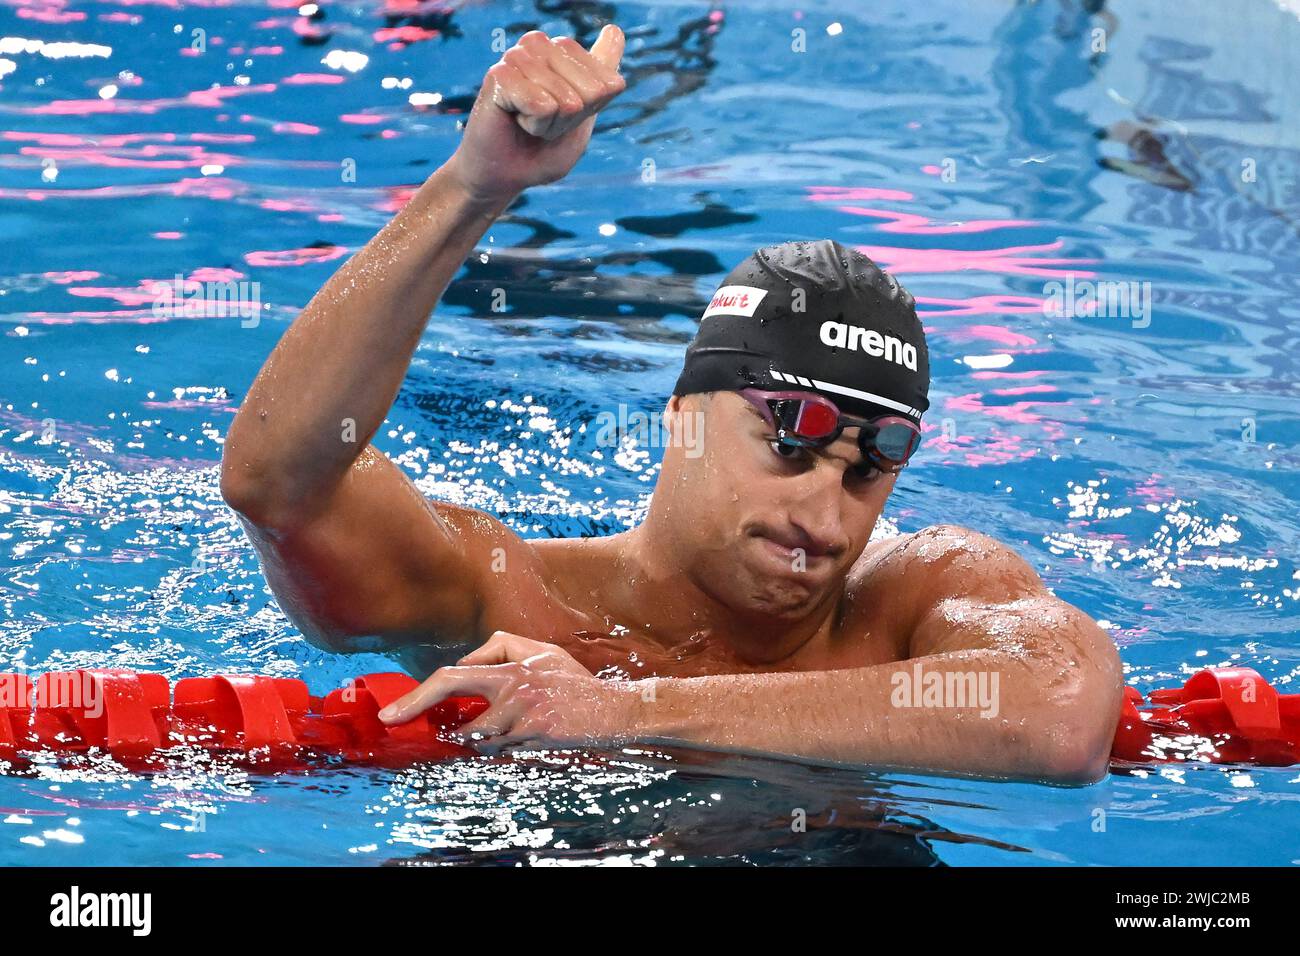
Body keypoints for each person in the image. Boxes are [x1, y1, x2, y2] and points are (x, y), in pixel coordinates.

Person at [220, 24, 1122, 784]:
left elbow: (1059, 713)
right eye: (790, 447)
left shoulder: (909, 600)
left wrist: (625, 710)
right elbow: (279, 485)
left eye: (869, 468)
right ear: (683, 413)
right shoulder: (510, 598)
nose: (824, 516)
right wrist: (473, 189)